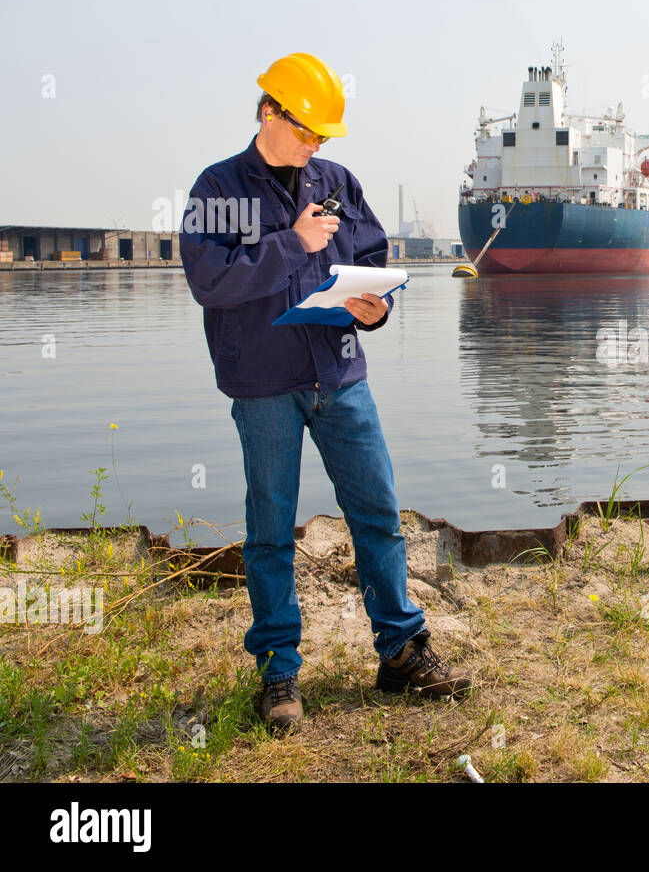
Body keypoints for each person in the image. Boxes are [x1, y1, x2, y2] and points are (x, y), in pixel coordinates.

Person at [179, 52, 471, 734]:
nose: (314, 146)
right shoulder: (217, 188)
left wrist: (374, 306)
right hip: (263, 385)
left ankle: (400, 650)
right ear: (268, 113)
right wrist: (291, 241)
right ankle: (279, 673)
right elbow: (210, 281)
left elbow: (367, 258)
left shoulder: (335, 182)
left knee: (377, 512)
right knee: (270, 531)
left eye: (321, 136)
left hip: (340, 374)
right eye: (305, 130)